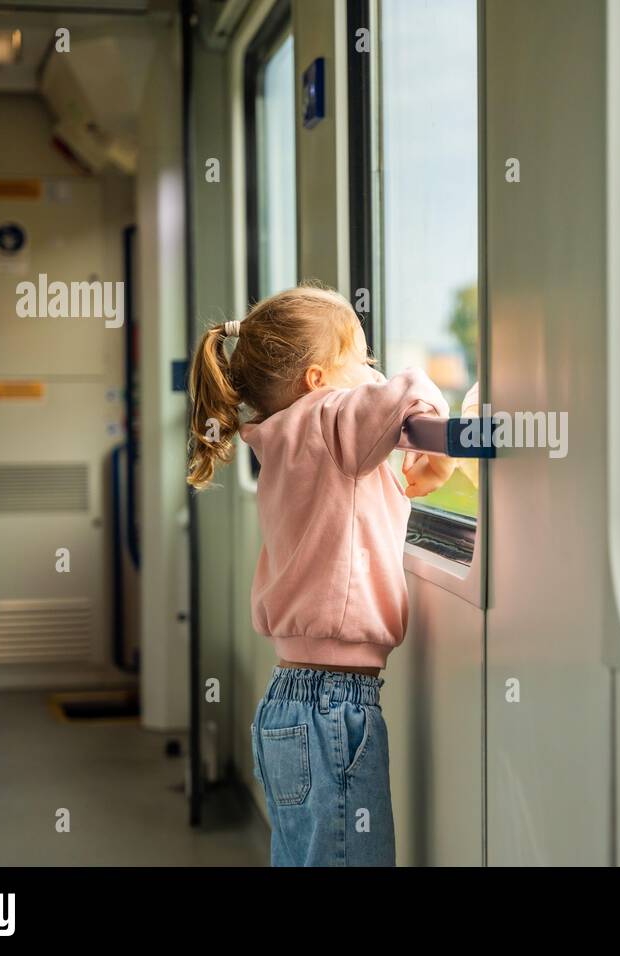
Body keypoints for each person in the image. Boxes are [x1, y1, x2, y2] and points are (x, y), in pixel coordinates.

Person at [185, 282, 453, 866]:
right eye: (361, 358)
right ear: (316, 380)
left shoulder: (284, 439)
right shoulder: (330, 418)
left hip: (290, 702)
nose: (372, 371)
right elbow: (406, 390)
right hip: (335, 706)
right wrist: (434, 434)